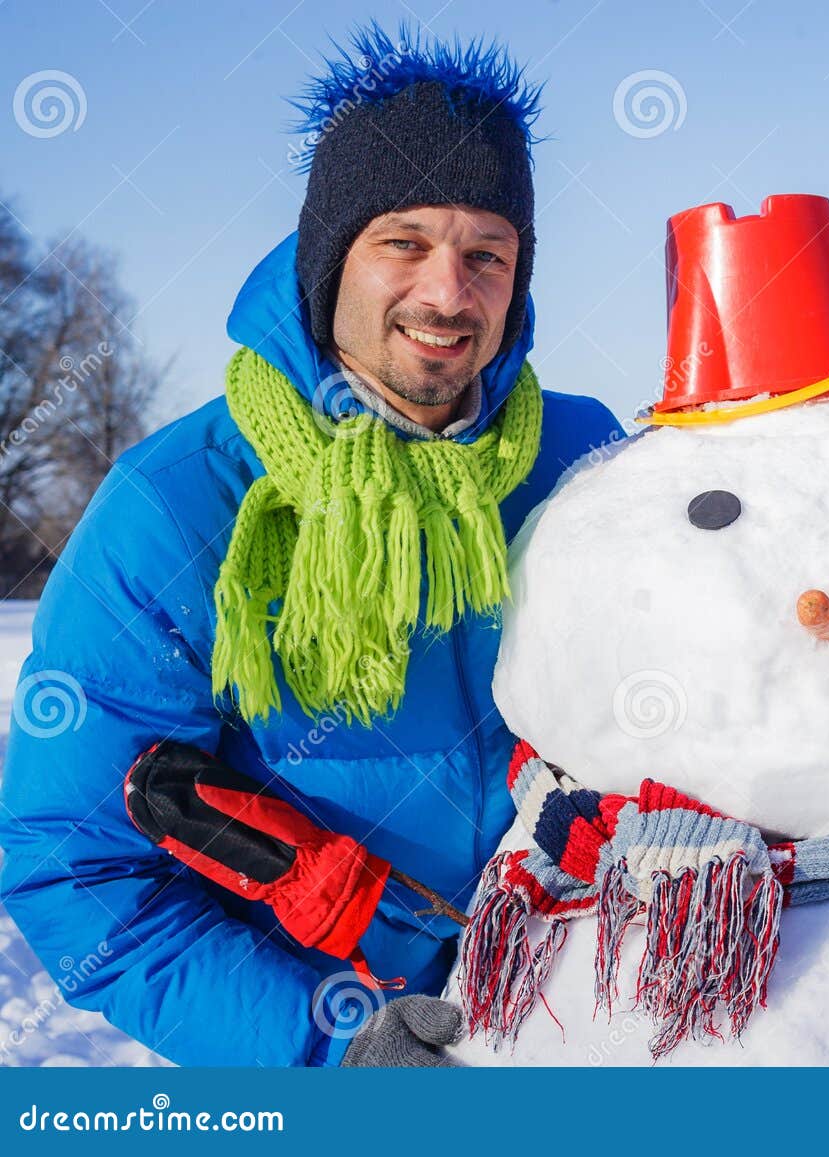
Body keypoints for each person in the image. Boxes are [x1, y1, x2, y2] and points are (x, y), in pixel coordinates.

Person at [0, 24, 622, 1067]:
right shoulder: (176, 504)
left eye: (486, 254)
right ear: (331, 259)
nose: (446, 292)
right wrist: (334, 1045)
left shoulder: (590, 458)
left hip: (592, 1028)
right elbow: (76, 867)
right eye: (404, 242)